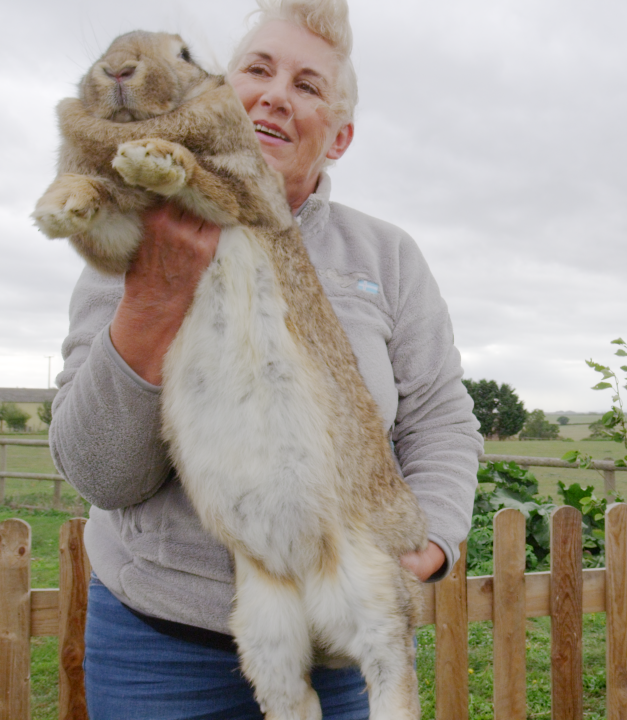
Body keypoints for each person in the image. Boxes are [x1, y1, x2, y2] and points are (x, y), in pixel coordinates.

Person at [48, 1, 482, 718]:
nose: (276, 95)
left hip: (334, 638)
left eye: (307, 85)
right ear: (217, 92)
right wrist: (154, 296)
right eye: (257, 69)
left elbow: (439, 415)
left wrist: (431, 537)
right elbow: (101, 474)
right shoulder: (134, 229)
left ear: (339, 137)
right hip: (157, 651)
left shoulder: (385, 256)